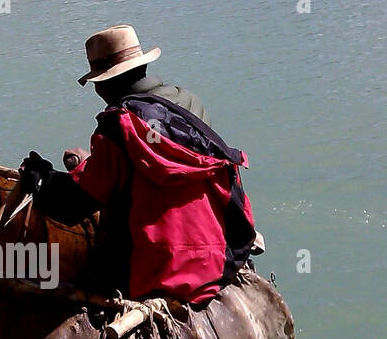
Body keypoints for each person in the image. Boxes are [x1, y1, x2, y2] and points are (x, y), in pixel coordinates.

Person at [19, 25, 262, 305]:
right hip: (216, 258)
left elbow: (75, 205)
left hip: (152, 269)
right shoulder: (189, 103)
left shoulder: (118, 127)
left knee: (56, 298)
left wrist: (41, 179)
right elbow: (164, 164)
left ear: (105, 82)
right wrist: (93, 163)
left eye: (98, 81)